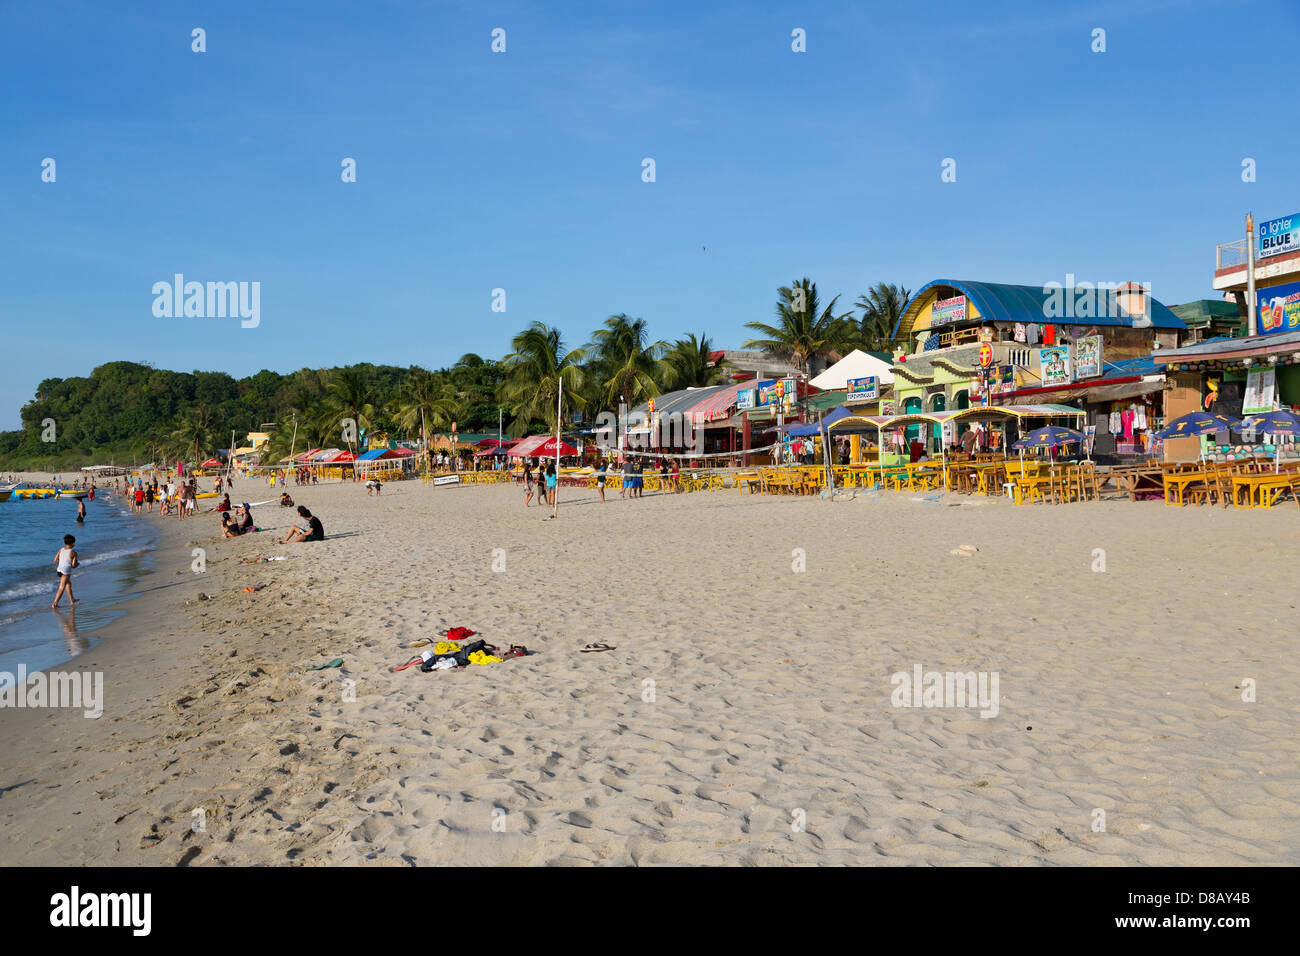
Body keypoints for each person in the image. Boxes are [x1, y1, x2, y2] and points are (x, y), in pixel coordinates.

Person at [51, 534, 78, 608]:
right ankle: (55, 603)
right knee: (61, 587)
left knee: (68, 584)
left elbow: (55, 560)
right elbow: (72, 566)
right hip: (66, 571)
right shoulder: (73, 552)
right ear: (73, 543)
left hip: (59, 570)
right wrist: (76, 564)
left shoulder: (61, 550)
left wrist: (62, 562)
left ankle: (72, 600)